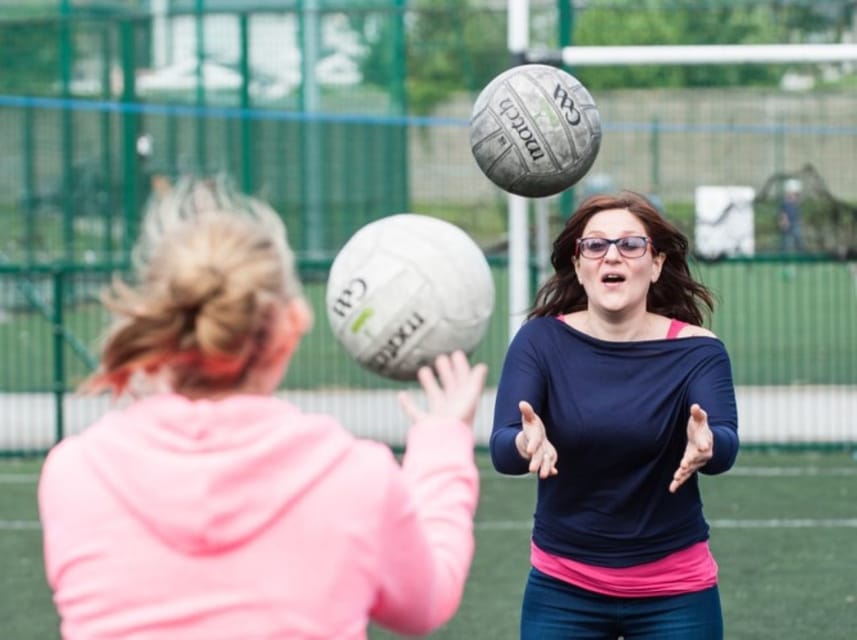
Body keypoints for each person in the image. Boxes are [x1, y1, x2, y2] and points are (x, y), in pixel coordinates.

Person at [38, 176, 488, 640]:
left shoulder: (73, 473)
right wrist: (442, 444)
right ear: (293, 325)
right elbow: (425, 603)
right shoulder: (357, 478)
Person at [490, 191, 739, 639]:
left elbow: (722, 445)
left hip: (676, 592)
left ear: (656, 263)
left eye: (630, 244)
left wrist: (709, 444)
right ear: (580, 264)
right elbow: (503, 448)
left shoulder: (699, 350)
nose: (612, 255)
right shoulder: (539, 342)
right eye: (596, 245)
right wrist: (525, 443)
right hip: (562, 588)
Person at [778, 179, 804, 253]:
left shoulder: (795, 202)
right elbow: (783, 213)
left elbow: (798, 212)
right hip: (787, 224)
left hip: (795, 223)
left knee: (797, 238)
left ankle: (800, 253)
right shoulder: (785, 202)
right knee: (785, 241)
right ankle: (784, 254)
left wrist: (800, 221)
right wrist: (784, 221)